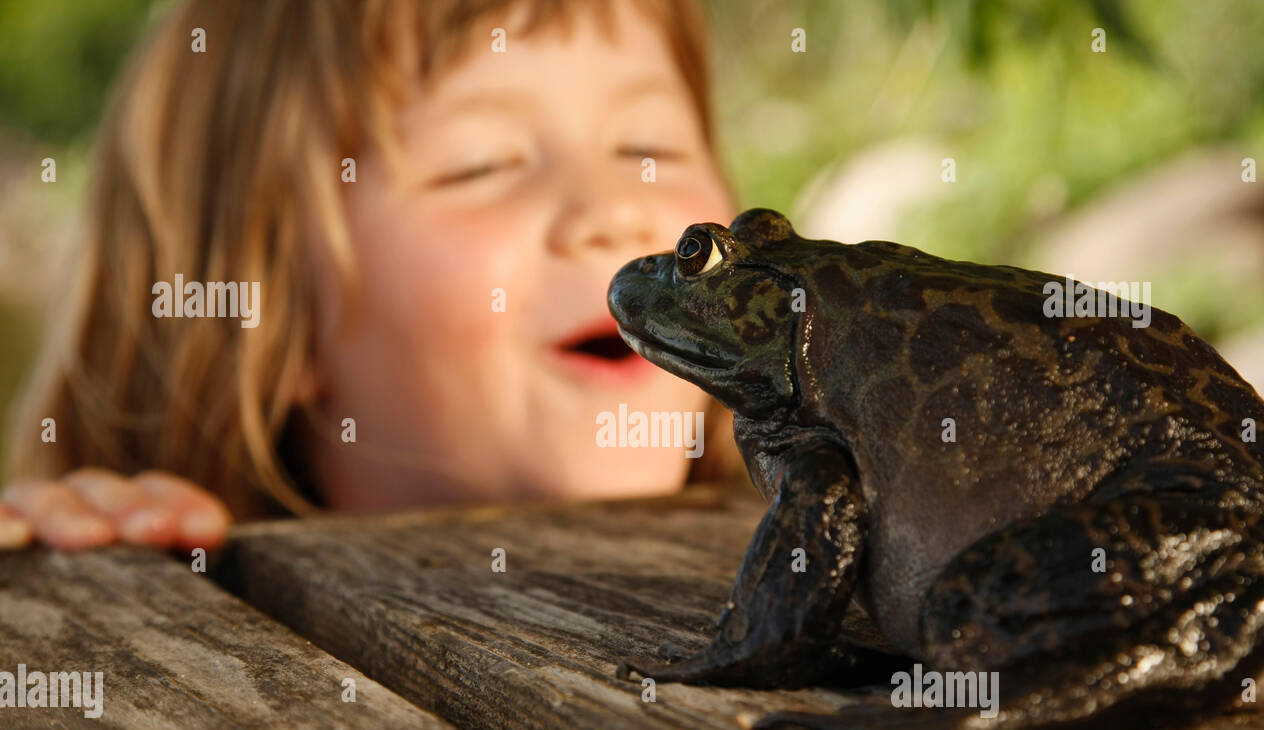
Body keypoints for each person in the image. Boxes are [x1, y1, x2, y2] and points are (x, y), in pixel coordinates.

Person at [0, 0, 741, 552]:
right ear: (272, 320)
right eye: (483, 163)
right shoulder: (175, 575)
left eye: (653, 147)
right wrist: (82, 568)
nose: (614, 210)